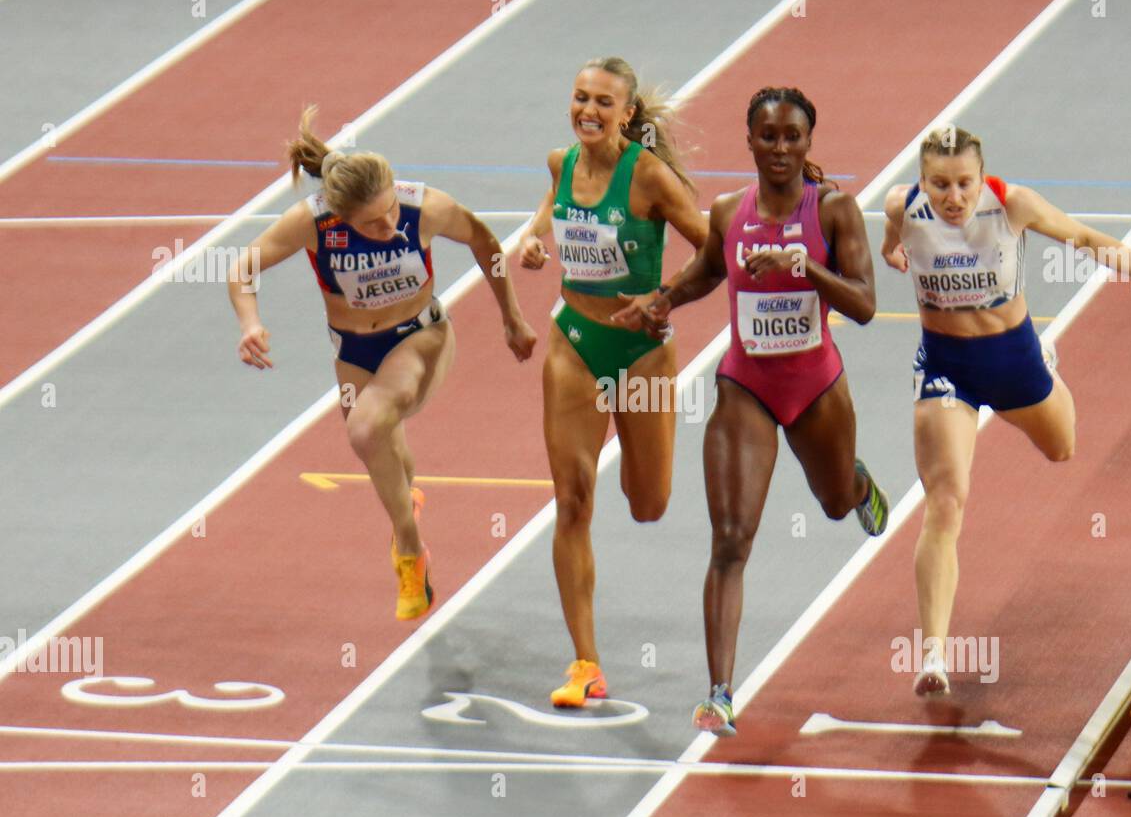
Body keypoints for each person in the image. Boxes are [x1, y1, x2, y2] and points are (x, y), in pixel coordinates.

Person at [879, 125, 1131, 696]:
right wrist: (891, 250)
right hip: (946, 367)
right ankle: (934, 654)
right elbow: (891, 230)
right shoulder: (902, 205)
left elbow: (1085, 238)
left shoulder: (1013, 204)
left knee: (1062, 448)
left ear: (982, 177)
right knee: (946, 501)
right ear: (923, 181)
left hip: (1016, 360)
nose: (953, 197)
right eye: (940, 185)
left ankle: (1051, 367)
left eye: (964, 184)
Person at [615, 87, 890, 736]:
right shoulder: (727, 211)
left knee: (830, 498)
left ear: (807, 143)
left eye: (792, 137)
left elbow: (865, 305)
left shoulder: (836, 210)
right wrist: (662, 301)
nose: (780, 148)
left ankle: (855, 485)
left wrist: (802, 268)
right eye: (768, 136)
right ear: (751, 142)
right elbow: (708, 270)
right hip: (745, 387)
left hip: (817, 386)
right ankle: (719, 693)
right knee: (732, 540)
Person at [226, 106, 535, 620]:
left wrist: (512, 317)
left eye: (390, 210)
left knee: (367, 428)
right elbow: (241, 266)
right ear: (338, 216)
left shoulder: (425, 208)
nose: (389, 225)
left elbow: (486, 243)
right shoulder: (312, 222)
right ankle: (405, 508)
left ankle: (409, 552)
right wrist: (250, 322)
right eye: (371, 222)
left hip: (420, 337)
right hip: (352, 351)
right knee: (384, 451)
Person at [519, 57, 708, 708]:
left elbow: (711, 247)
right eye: (580, 98)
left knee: (647, 502)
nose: (588, 111)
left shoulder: (649, 177)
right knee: (571, 502)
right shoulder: (560, 162)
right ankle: (586, 664)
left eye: (603, 102)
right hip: (574, 342)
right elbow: (552, 205)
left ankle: (636, 452)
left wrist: (664, 299)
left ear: (627, 113)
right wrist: (536, 236)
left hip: (643, 355)